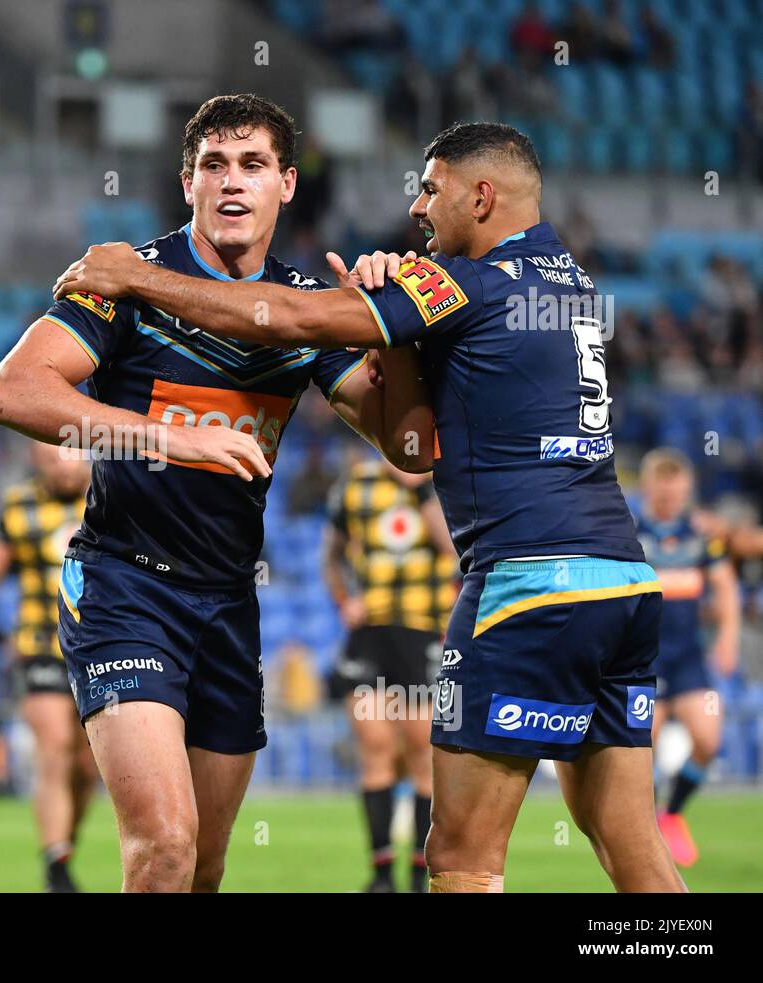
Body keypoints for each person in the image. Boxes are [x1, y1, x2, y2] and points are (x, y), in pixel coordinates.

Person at [55, 120, 686, 893]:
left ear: (481, 197)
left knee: (461, 861)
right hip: (622, 583)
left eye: (432, 188)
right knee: (634, 849)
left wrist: (135, 275)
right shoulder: (572, 286)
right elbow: (415, 445)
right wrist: (391, 323)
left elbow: (288, 318)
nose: (418, 208)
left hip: (529, 589)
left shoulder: (465, 281)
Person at [0, 94, 433, 892]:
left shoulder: (303, 309)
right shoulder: (122, 282)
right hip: (125, 583)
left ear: (287, 185)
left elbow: (407, 447)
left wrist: (386, 328)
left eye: (253, 165)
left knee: (205, 865)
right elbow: (11, 393)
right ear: (186, 181)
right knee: (163, 846)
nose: (233, 182)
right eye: (213, 165)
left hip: (227, 602)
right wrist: (168, 437)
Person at [0, 441, 97, 891]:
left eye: (69, 457)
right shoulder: (17, 505)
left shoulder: (112, 498)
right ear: (35, 462)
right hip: (41, 646)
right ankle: (56, 866)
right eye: (50, 460)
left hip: (102, 649)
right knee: (53, 748)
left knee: (88, 767)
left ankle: (63, 845)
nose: (62, 468)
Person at [325, 456, 457, 892]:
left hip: (423, 633)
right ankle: (381, 875)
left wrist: (419, 489)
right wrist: (345, 600)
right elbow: (332, 552)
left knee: (423, 752)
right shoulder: (356, 483)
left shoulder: (446, 481)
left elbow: (454, 551)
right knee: (374, 746)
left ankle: (419, 875)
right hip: (370, 637)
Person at [632, 448, 740, 866]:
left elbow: (725, 584)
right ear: (650, 486)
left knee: (708, 739)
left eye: (678, 488)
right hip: (644, 658)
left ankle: (672, 814)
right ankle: (648, 834)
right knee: (647, 747)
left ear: (687, 488)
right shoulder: (631, 530)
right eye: (664, 487)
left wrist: (728, 636)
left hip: (689, 656)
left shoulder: (701, 534)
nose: (672, 495)